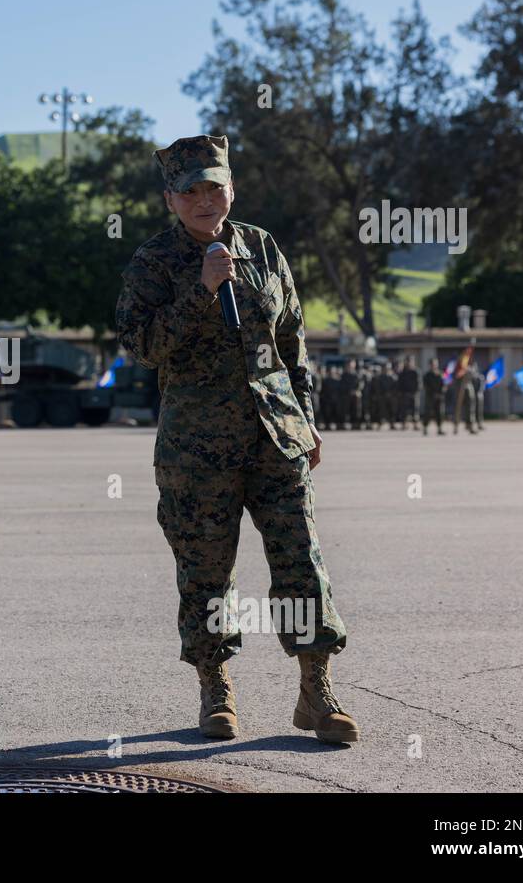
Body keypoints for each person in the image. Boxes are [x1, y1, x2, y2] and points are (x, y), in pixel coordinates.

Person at [115, 133, 356, 745]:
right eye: (190, 190)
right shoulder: (153, 262)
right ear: (171, 198)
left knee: (301, 563)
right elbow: (141, 347)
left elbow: (292, 342)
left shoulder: (263, 248)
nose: (204, 199)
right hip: (197, 449)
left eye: (214, 187)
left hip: (276, 438)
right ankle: (215, 688)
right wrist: (200, 291)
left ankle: (315, 689)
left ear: (231, 190)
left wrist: (306, 418)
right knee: (206, 570)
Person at [421, 357, 446, 436]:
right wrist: (433, 394)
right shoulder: (427, 375)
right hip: (430, 397)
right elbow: (426, 386)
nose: (434, 365)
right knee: (427, 413)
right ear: (430, 365)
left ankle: (439, 429)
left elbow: (444, 385)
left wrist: (441, 393)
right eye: (432, 364)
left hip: (439, 397)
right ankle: (425, 428)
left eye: (435, 363)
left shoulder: (441, 374)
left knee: (439, 413)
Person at [397, 356, 420, 431]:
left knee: (415, 410)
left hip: (414, 394)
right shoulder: (403, 372)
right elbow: (400, 383)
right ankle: (404, 424)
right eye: (408, 361)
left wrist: (415, 392)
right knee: (404, 410)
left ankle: (415, 424)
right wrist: (401, 392)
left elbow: (419, 383)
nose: (409, 363)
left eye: (410, 361)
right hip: (404, 394)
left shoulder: (416, 371)